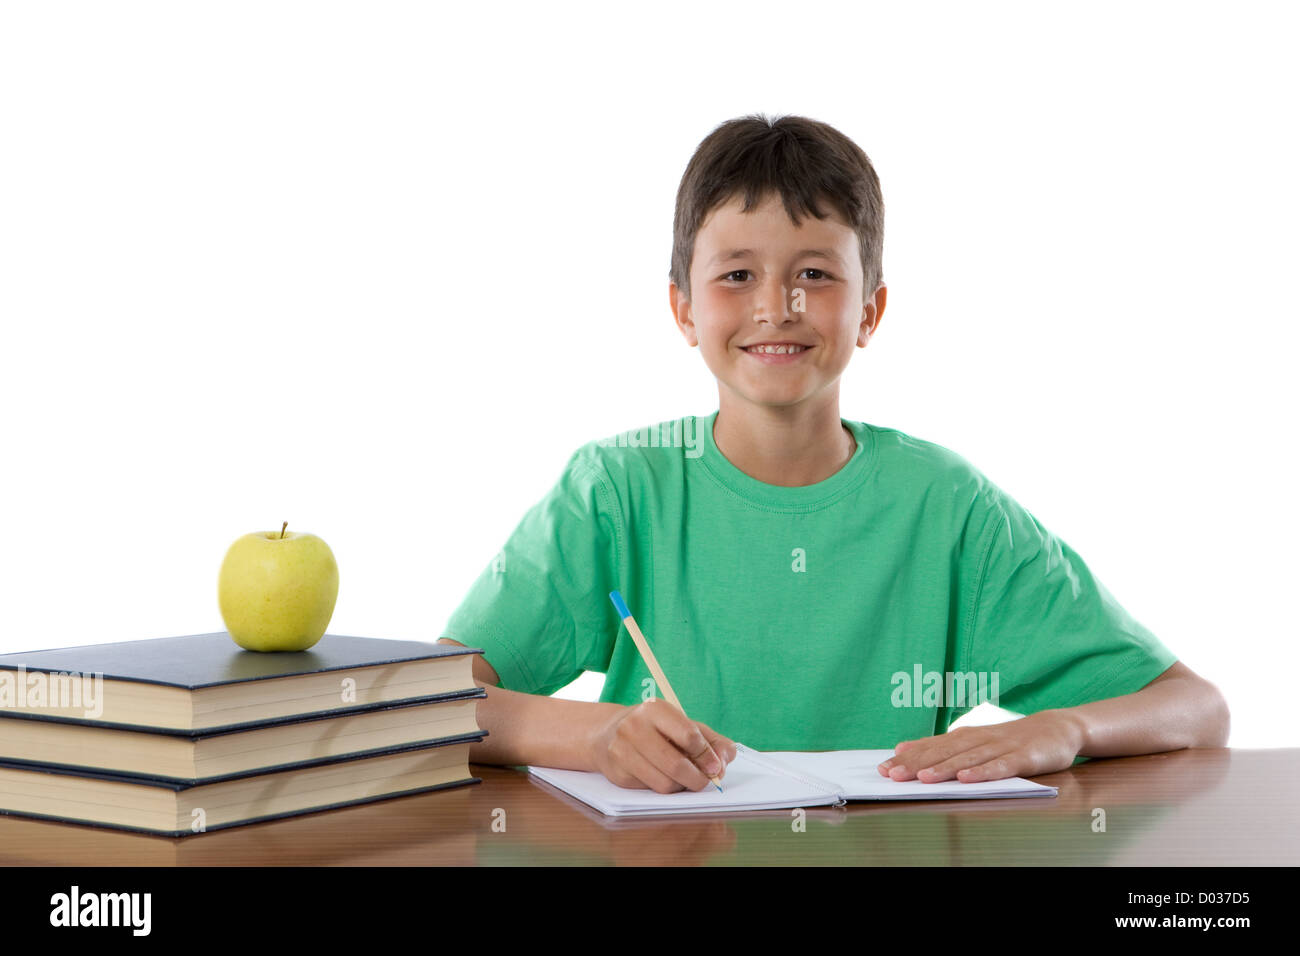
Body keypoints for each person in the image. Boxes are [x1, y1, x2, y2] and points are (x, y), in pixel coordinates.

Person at [438, 113, 1229, 794]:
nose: (774, 307)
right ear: (682, 308)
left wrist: (1065, 730)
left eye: (814, 274)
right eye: (737, 274)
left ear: (870, 309)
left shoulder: (946, 506)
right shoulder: (614, 488)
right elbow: (441, 698)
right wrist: (597, 737)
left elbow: (1196, 709)